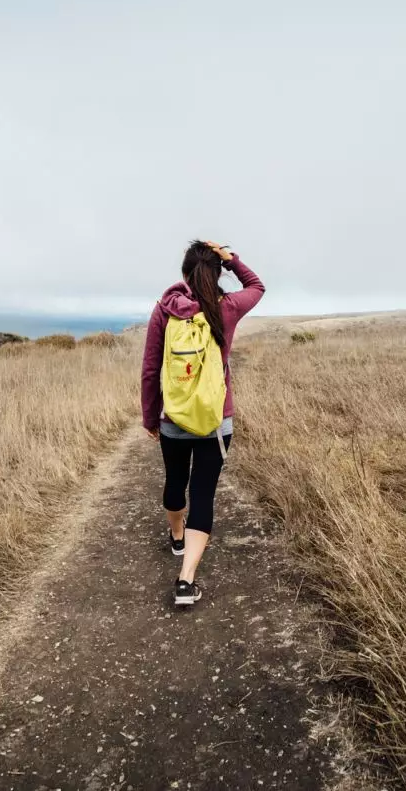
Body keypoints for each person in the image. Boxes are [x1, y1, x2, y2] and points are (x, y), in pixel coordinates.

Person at [141, 240, 265, 606]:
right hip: (216, 421)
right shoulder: (226, 308)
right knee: (203, 493)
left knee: (175, 480)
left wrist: (151, 416)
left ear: (183, 273)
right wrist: (232, 260)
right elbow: (257, 286)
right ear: (216, 272)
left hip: (174, 418)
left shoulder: (165, 309)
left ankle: (177, 537)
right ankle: (186, 580)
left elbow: (150, 368)